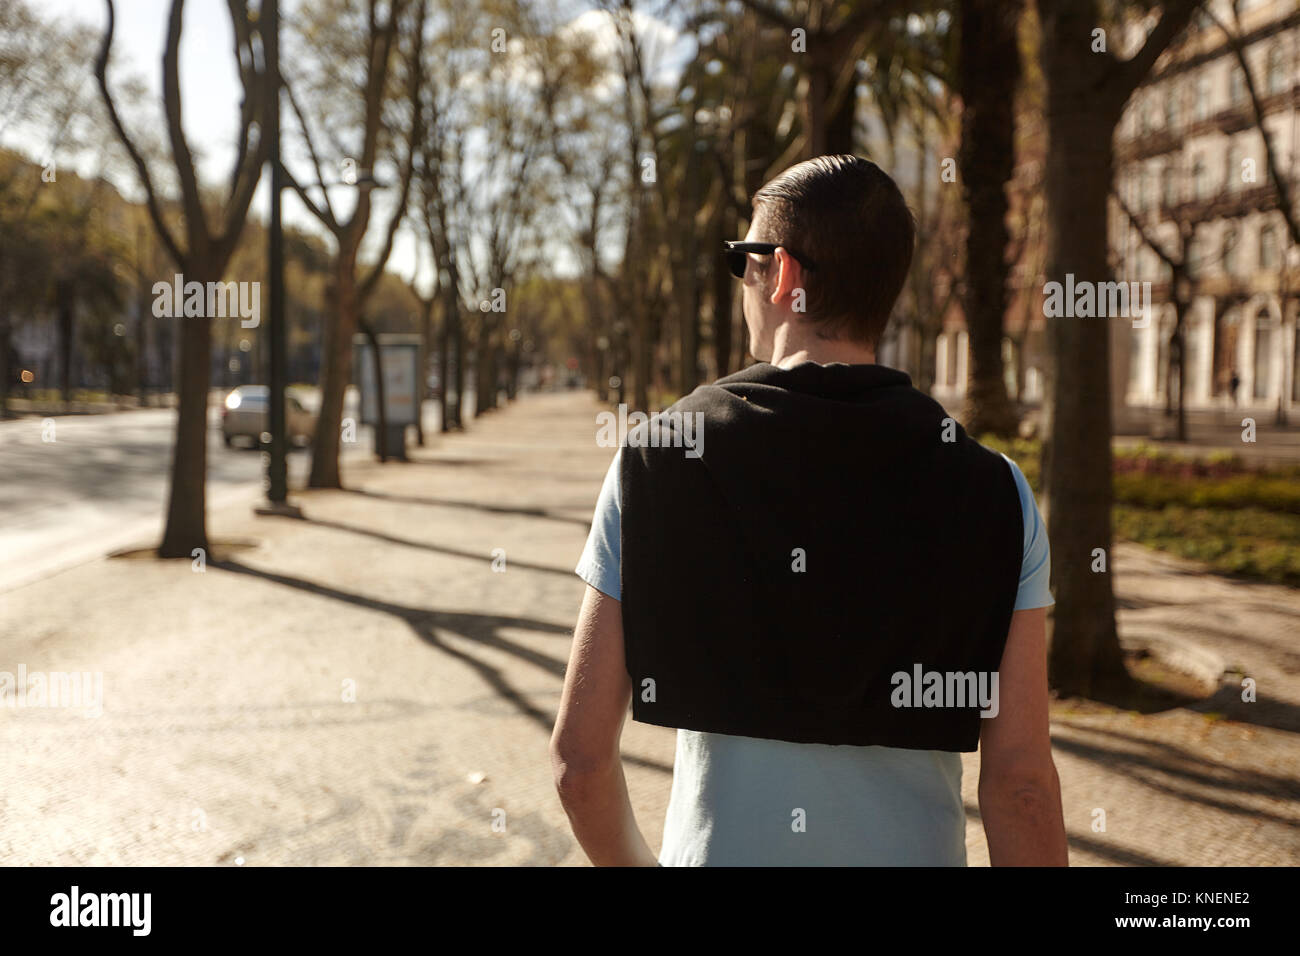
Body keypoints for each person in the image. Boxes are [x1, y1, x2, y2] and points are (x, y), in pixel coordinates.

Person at [550, 154, 1068, 866]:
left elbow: (578, 763)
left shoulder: (657, 458)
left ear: (783, 274)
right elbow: (1022, 786)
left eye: (745, 262)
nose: (742, 284)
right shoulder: (997, 491)